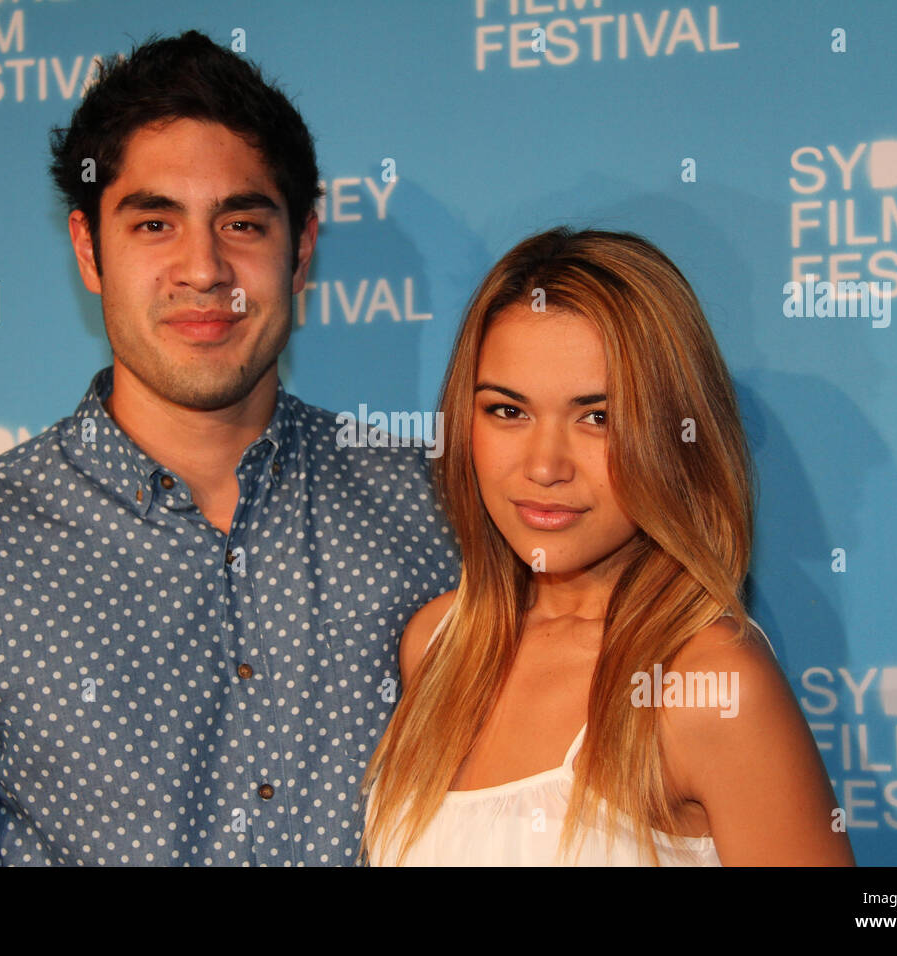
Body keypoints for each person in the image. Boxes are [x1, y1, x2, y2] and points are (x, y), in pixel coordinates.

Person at [0, 31, 459, 866]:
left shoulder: (441, 515)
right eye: (155, 222)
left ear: (302, 249)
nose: (203, 268)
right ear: (90, 250)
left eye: (241, 221)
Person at [361, 228, 855, 866]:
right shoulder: (437, 642)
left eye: (599, 417)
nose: (544, 466)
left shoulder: (705, 684)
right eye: (508, 411)